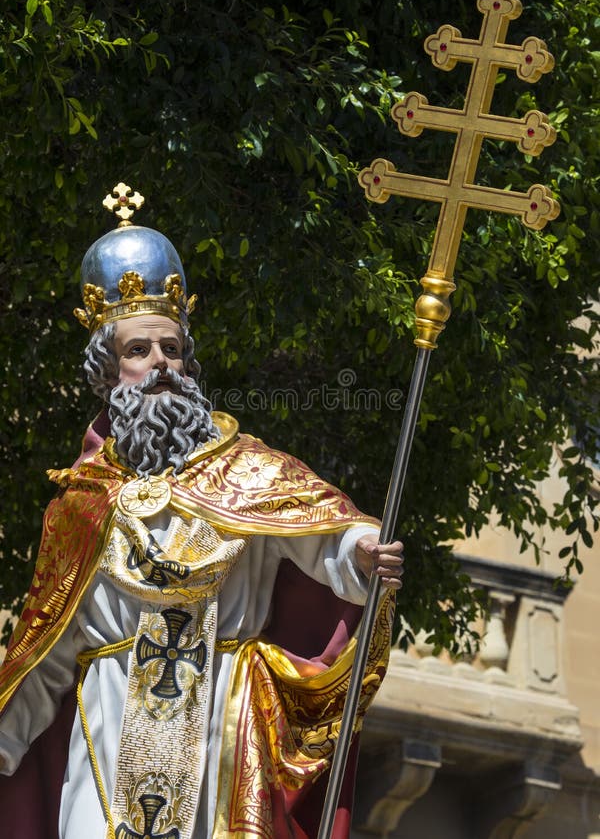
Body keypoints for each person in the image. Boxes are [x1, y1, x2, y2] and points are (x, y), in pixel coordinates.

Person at [0, 185, 403, 839]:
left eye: (172, 348)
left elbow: (322, 534)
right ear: (107, 372)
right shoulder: (81, 502)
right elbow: (47, 652)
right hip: (107, 729)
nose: (160, 363)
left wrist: (360, 551)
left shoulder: (247, 468)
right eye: (138, 351)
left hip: (219, 724)